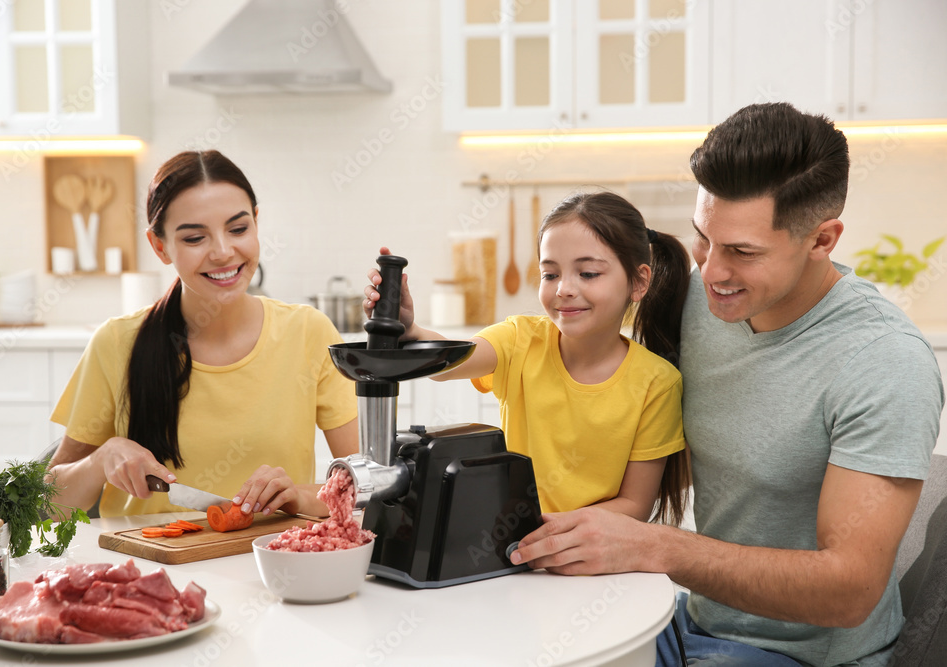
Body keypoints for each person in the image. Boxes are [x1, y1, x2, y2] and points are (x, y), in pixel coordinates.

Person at [509, 103, 945, 666]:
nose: (711, 271)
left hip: (804, 657)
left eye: (742, 252)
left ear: (823, 239)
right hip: (689, 620)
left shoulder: (883, 362)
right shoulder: (703, 302)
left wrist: (659, 547)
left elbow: (850, 589)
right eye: (703, 239)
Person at [46, 150, 358, 518]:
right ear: (160, 246)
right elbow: (50, 505)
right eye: (195, 238)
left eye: (238, 229)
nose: (224, 252)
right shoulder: (116, 343)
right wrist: (102, 458)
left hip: (269, 566)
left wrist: (298, 498)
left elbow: (366, 486)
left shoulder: (308, 333)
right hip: (146, 566)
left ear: (256, 223)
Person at [364, 191, 691, 524]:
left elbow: (635, 506)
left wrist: (544, 530)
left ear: (639, 282)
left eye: (588, 273)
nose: (563, 288)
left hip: (595, 556)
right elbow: (448, 361)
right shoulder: (520, 340)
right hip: (513, 545)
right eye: (550, 274)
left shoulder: (657, 384)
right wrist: (410, 331)